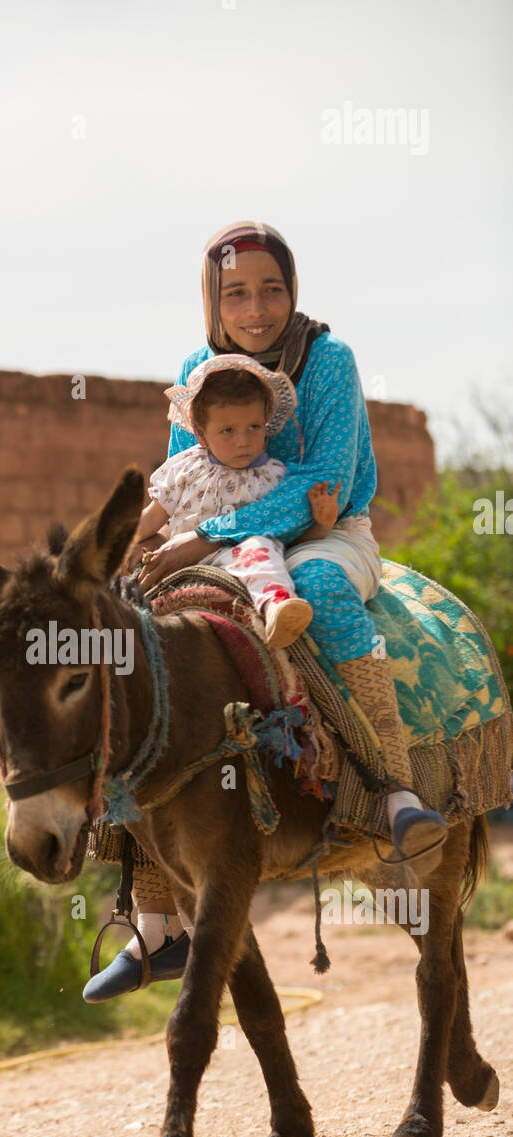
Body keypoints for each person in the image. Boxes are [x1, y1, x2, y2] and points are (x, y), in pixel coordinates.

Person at [84, 219, 448, 1004]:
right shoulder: (196, 371)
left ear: (294, 290)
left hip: (319, 530)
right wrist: (141, 543)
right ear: (213, 299)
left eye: (272, 288)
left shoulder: (329, 361)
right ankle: (153, 917)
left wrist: (206, 537)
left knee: (316, 596)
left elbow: (327, 476)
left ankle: (392, 790)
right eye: (237, 292)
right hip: (205, 541)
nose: (256, 308)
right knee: (137, 637)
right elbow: (181, 472)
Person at [129, 354, 342, 649]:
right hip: (180, 559)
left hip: (239, 561)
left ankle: (277, 607)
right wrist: (117, 540)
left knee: (259, 548)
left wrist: (322, 523)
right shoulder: (184, 469)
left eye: (254, 427)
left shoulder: (274, 478)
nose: (243, 441)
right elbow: (153, 516)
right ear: (201, 435)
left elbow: (290, 536)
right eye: (228, 431)